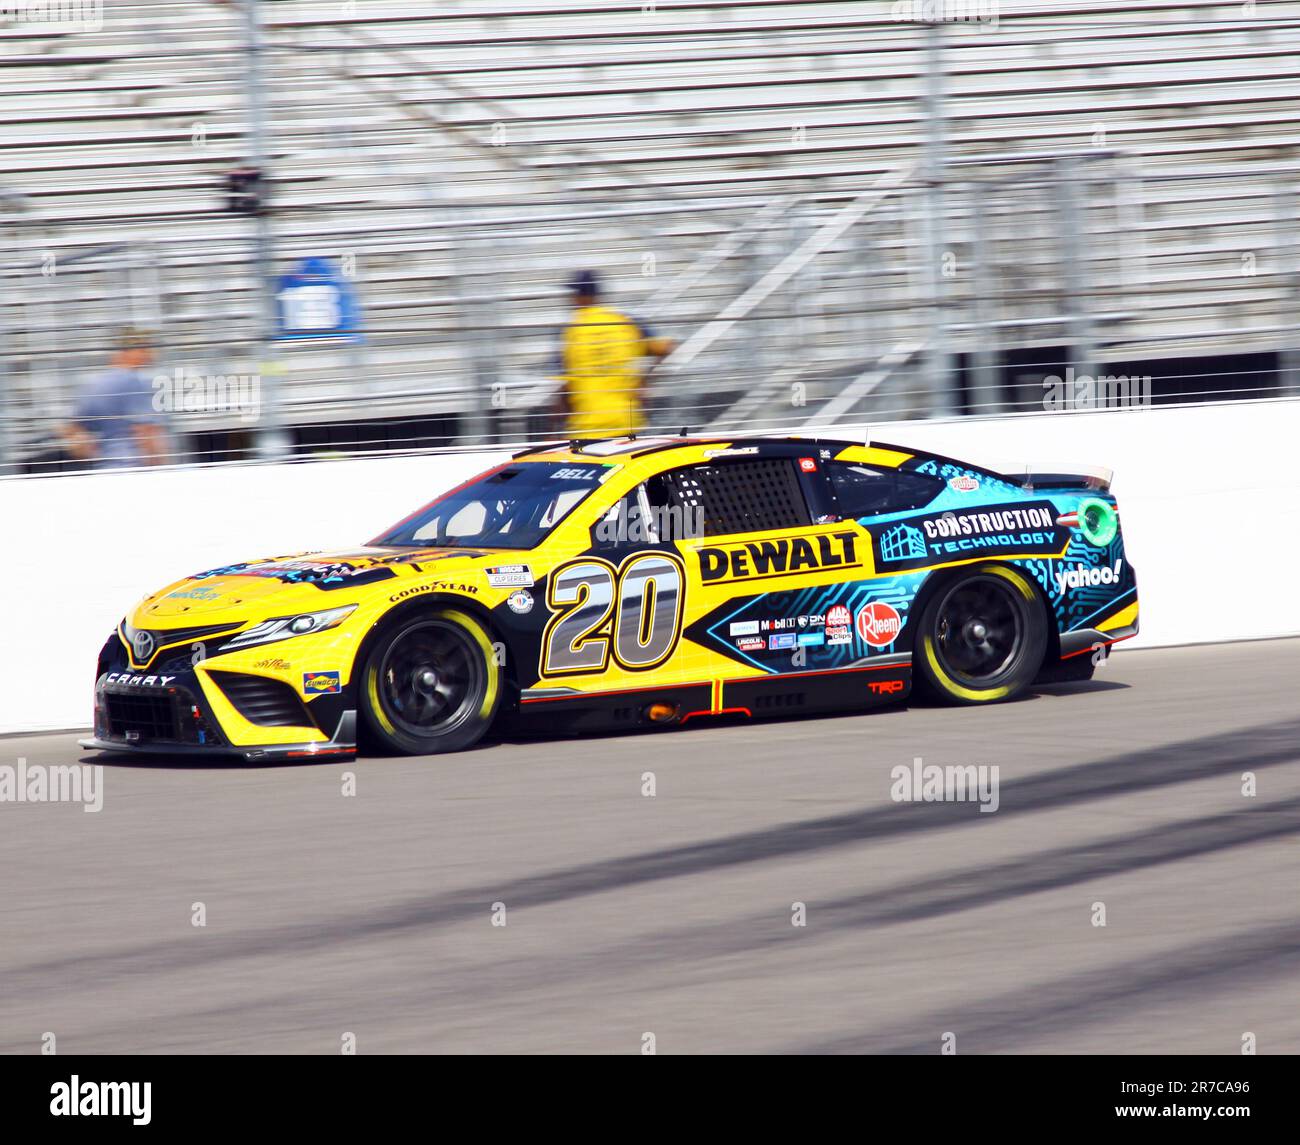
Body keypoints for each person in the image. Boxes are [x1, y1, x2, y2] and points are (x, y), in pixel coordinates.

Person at [556, 270, 674, 437]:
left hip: (588, 429)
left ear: (579, 297)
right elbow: (666, 347)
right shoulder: (624, 322)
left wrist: (556, 428)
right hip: (627, 423)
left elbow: (563, 388)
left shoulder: (571, 331)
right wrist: (644, 382)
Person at [59, 328, 168, 468]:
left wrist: (94, 452)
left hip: (105, 467)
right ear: (131, 351)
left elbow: (71, 429)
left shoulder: (94, 385)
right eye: (146, 349)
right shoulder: (134, 382)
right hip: (132, 467)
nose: (151, 354)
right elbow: (145, 431)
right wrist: (159, 467)